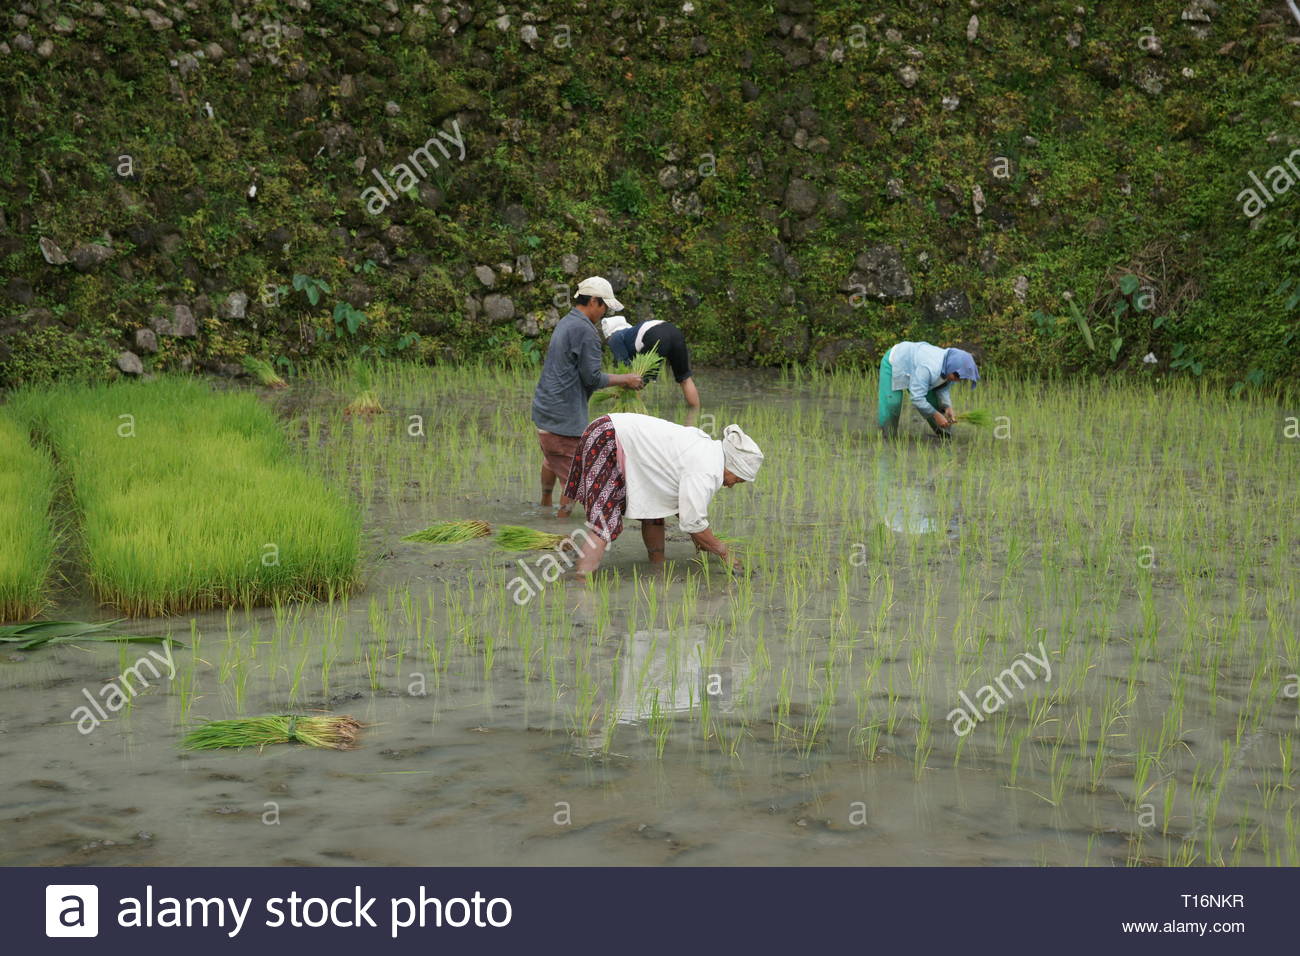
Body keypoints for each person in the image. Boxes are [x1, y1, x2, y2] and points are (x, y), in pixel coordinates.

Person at [561, 412, 763, 578]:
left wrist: (701, 537)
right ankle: (581, 586)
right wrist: (724, 552)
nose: (731, 486)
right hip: (609, 438)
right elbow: (693, 521)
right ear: (732, 466)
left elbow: (686, 513)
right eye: (737, 480)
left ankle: (658, 568)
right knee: (604, 523)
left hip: (610, 433)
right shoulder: (706, 470)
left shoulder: (708, 451)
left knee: (654, 509)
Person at [531, 277, 643, 518]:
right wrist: (626, 379)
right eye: (604, 307)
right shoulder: (586, 331)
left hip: (544, 411)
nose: (604, 314)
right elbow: (592, 378)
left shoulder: (566, 321)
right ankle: (559, 525)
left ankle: (544, 504)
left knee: (552, 458)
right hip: (562, 418)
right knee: (576, 476)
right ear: (594, 301)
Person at [600, 315, 702, 425]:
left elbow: (627, 373)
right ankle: (694, 417)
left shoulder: (614, 338)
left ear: (608, 335)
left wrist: (620, 389)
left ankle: (632, 420)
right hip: (675, 332)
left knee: (633, 381)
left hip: (655, 336)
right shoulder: (632, 332)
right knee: (685, 378)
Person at [877, 341, 980, 438]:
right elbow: (917, 398)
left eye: (961, 378)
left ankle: (944, 434)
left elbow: (943, 389)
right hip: (896, 360)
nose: (957, 380)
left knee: (936, 404)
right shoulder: (929, 368)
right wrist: (935, 414)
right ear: (951, 366)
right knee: (892, 403)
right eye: (957, 377)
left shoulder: (951, 369)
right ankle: (887, 437)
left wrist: (948, 407)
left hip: (917, 367)